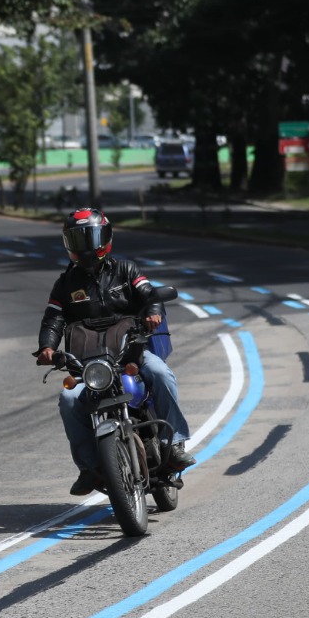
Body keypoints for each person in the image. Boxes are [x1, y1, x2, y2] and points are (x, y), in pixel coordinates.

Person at [35, 207, 193, 496]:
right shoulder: (65, 284)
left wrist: (153, 311)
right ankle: (89, 468)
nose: (85, 245)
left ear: (104, 238)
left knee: (160, 373)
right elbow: (53, 318)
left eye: (90, 237)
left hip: (129, 350)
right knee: (69, 398)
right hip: (89, 361)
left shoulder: (126, 270)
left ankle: (174, 445)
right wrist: (47, 346)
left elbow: (149, 295)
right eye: (78, 239)